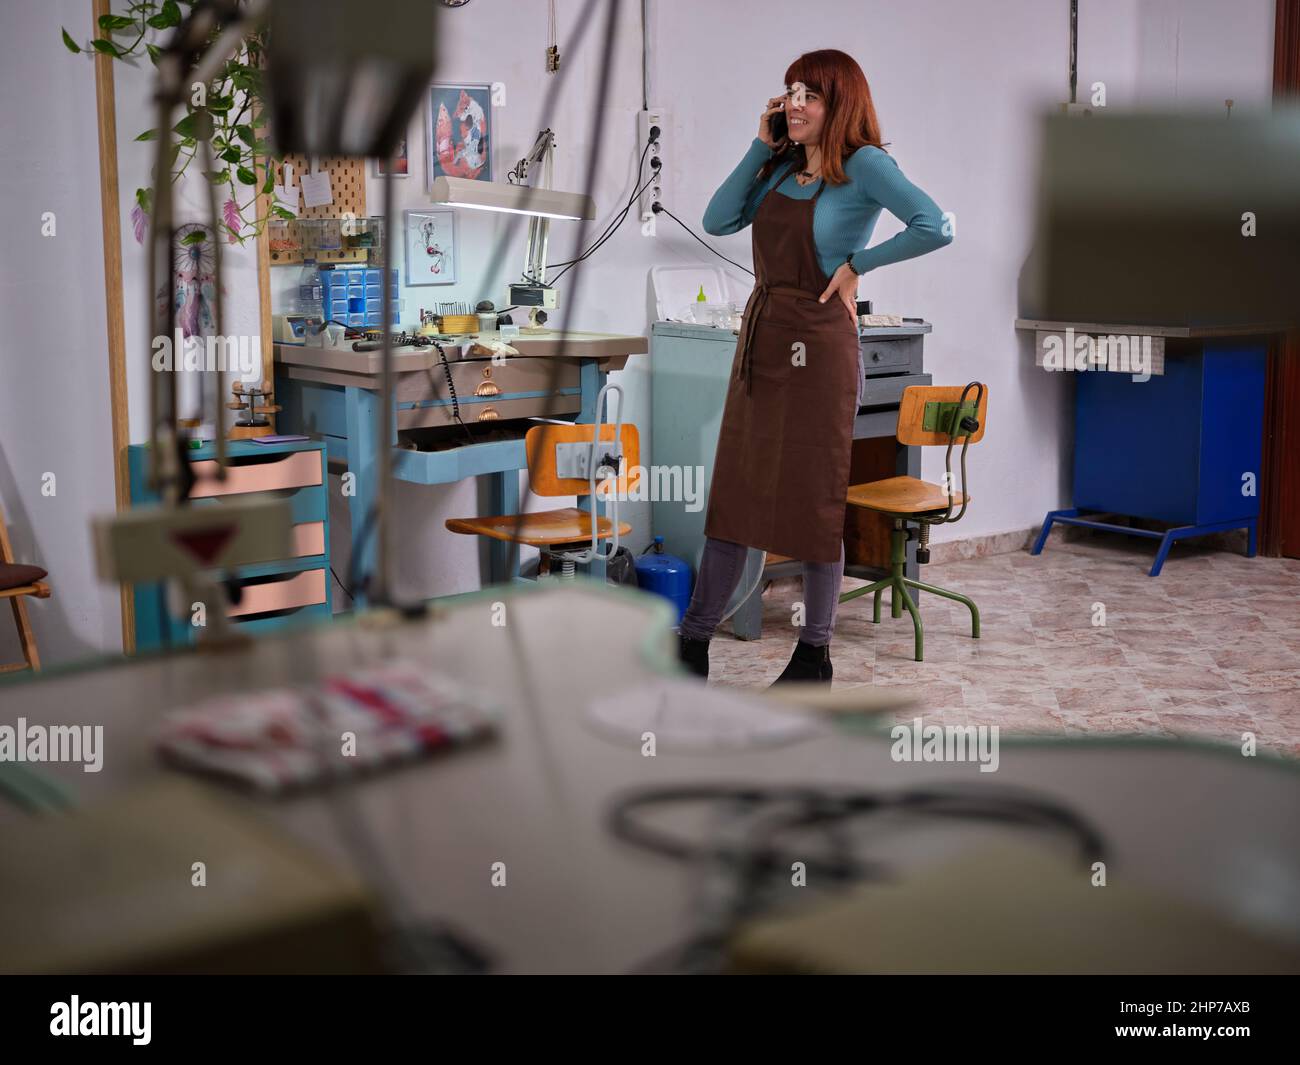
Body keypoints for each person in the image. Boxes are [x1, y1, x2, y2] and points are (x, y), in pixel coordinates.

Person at [678, 48, 952, 684]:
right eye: (790, 91)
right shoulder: (780, 167)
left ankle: (814, 656)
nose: (795, 103)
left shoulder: (865, 165)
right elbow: (717, 219)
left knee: (814, 501)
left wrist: (860, 264)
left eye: (810, 94)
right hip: (765, 339)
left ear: (840, 104)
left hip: (821, 347)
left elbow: (934, 225)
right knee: (734, 496)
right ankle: (692, 644)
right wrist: (758, 145)